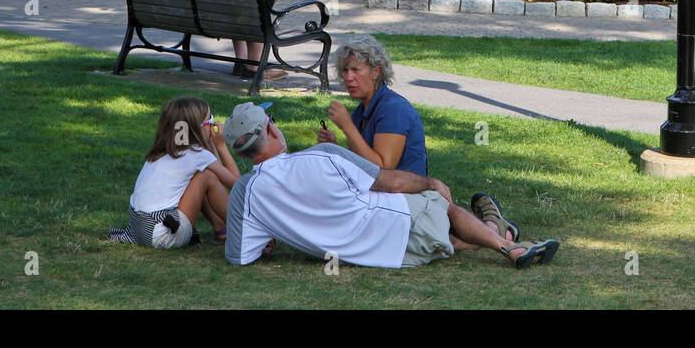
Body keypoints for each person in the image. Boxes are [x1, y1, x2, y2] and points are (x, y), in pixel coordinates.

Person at [223, 103, 559, 269]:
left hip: (381, 258)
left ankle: (497, 230)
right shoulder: (321, 155)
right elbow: (392, 181)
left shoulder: (244, 194)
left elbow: (239, 257)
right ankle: (508, 247)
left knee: (445, 238)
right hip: (395, 224)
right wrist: (432, 183)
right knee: (441, 206)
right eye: (274, 122)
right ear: (269, 130)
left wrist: (271, 237)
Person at [109, 96, 241, 247]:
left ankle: (220, 226)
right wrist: (221, 146)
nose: (212, 123)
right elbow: (236, 182)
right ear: (197, 128)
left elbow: (213, 166)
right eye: (209, 119)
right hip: (162, 234)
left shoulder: (163, 150)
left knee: (198, 177)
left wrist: (210, 142)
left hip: (138, 229)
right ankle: (241, 228)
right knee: (206, 176)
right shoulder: (197, 155)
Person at [316, 36, 427, 174]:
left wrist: (348, 127)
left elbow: (383, 169)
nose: (348, 77)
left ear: (376, 72)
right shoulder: (362, 110)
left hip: (405, 192)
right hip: (381, 191)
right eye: (345, 70)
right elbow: (362, 164)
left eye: (355, 70)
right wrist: (334, 147)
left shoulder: (394, 109)